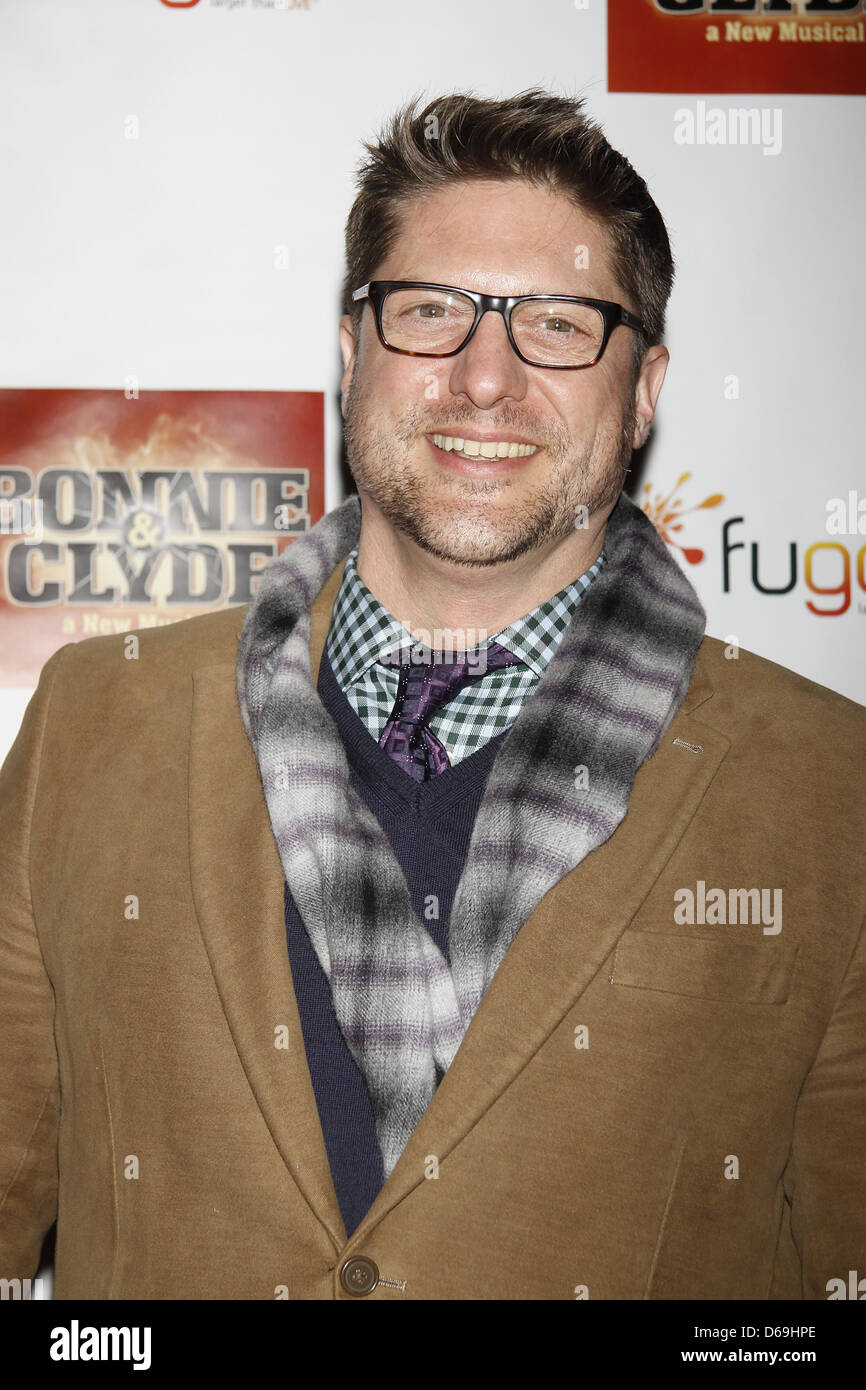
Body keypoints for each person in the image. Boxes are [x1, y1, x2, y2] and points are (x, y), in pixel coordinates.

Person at [1, 90, 863, 1302]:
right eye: (429, 313)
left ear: (646, 386)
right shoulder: (93, 727)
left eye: (557, 323)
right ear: (352, 351)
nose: (481, 378)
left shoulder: (831, 789)